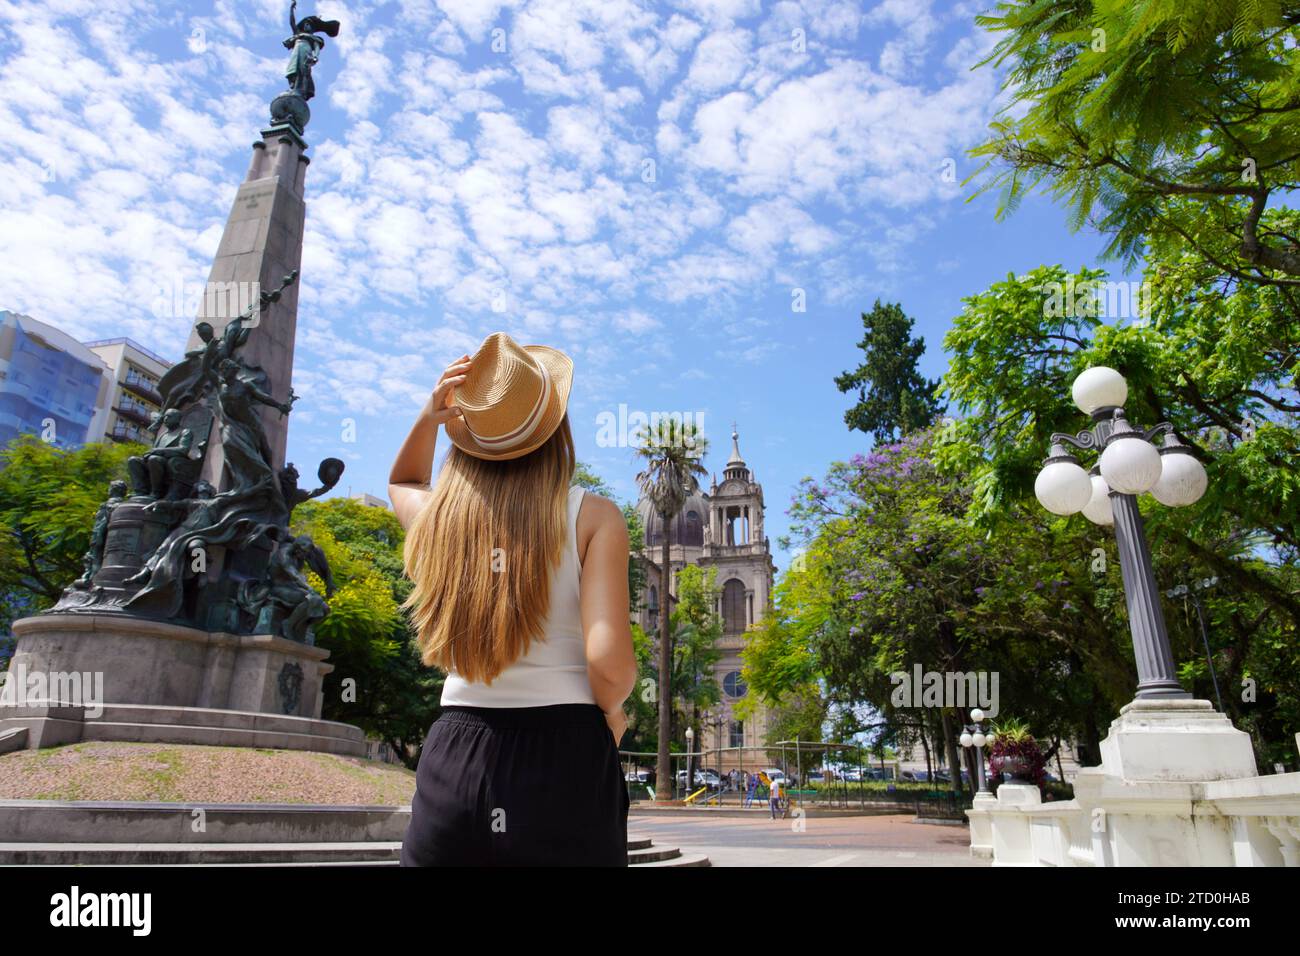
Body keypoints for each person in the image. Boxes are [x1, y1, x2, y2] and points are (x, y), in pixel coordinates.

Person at [390, 332, 637, 867]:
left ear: (468, 435)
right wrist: (613, 714)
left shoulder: (441, 522)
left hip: (455, 755)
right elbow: (608, 665)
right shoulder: (595, 517)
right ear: (554, 427)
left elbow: (403, 480)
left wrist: (430, 415)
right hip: (566, 754)